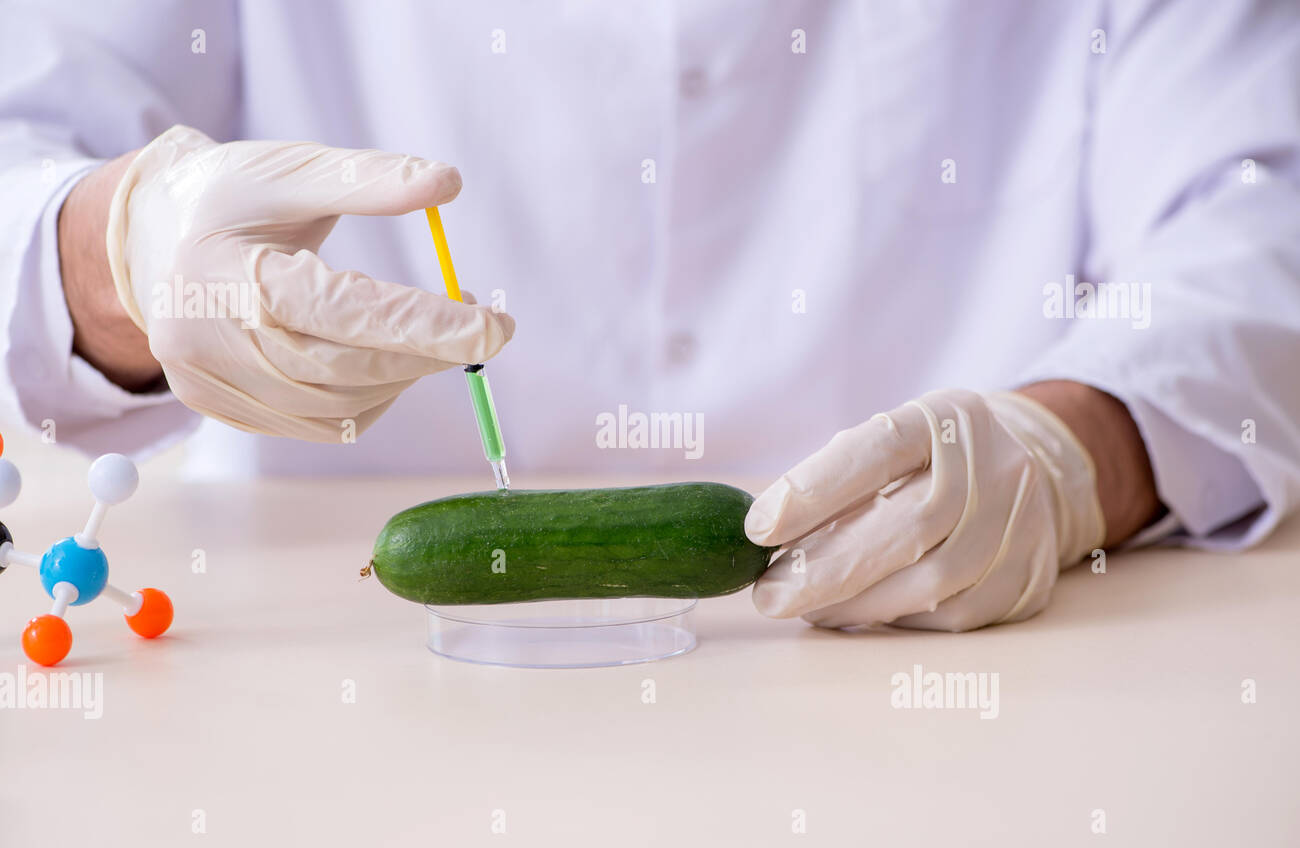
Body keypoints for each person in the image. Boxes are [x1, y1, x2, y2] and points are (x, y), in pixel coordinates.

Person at [2, 1, 1298, 632]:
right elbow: (26, 130)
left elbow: (1260, 213)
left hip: (946, 670)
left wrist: (1085, 448)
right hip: (342, 693)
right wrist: (117, 246)